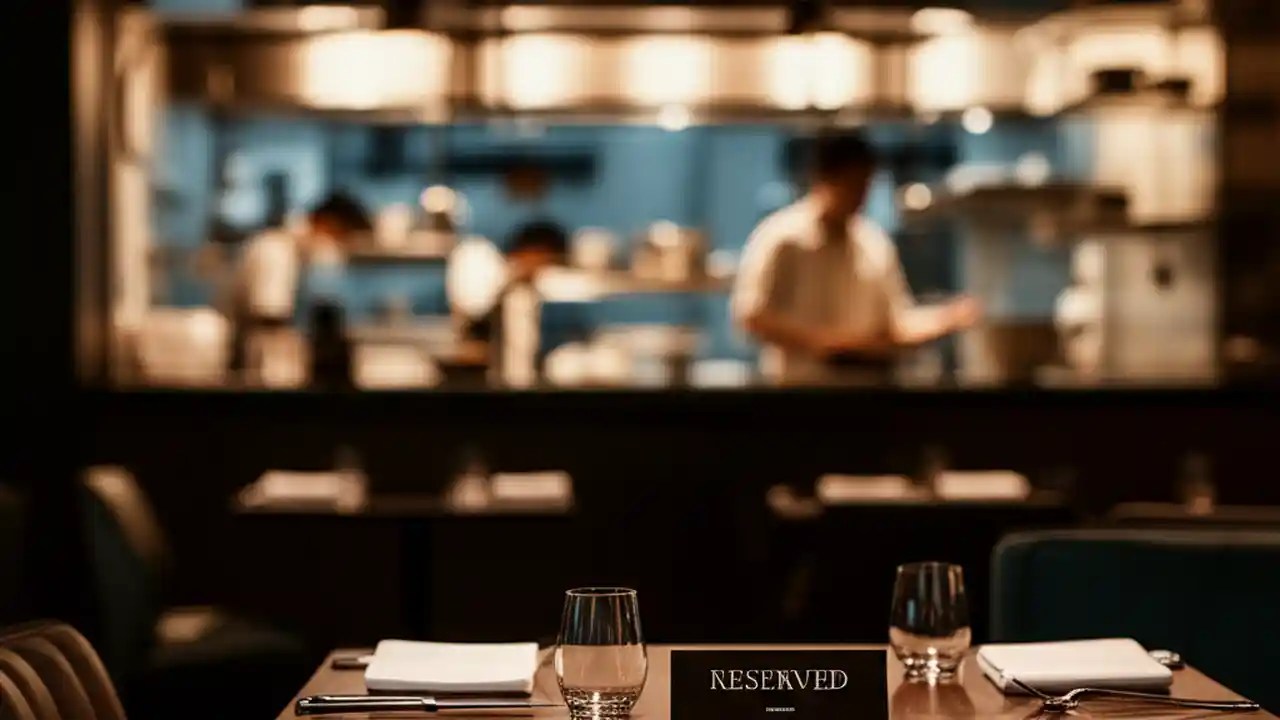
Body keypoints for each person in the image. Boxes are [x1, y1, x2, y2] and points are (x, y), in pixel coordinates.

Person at [732, 132, 980, 385]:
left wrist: (946, 318)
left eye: (865, 186)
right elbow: (751, 315)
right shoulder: (781, 237)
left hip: (868, 396)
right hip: (800, 395)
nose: (859, 197)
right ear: (823, 179)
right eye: (852, 185)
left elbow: (895, 324)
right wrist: (823, 343)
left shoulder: (873, 242)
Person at [227, 191, 372, 375]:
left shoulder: (295, 252)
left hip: (262, 362)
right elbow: (270, 316)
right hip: (253, 366)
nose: (339, 246)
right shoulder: (275, 250)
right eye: (341, 237)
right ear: (326, 223)